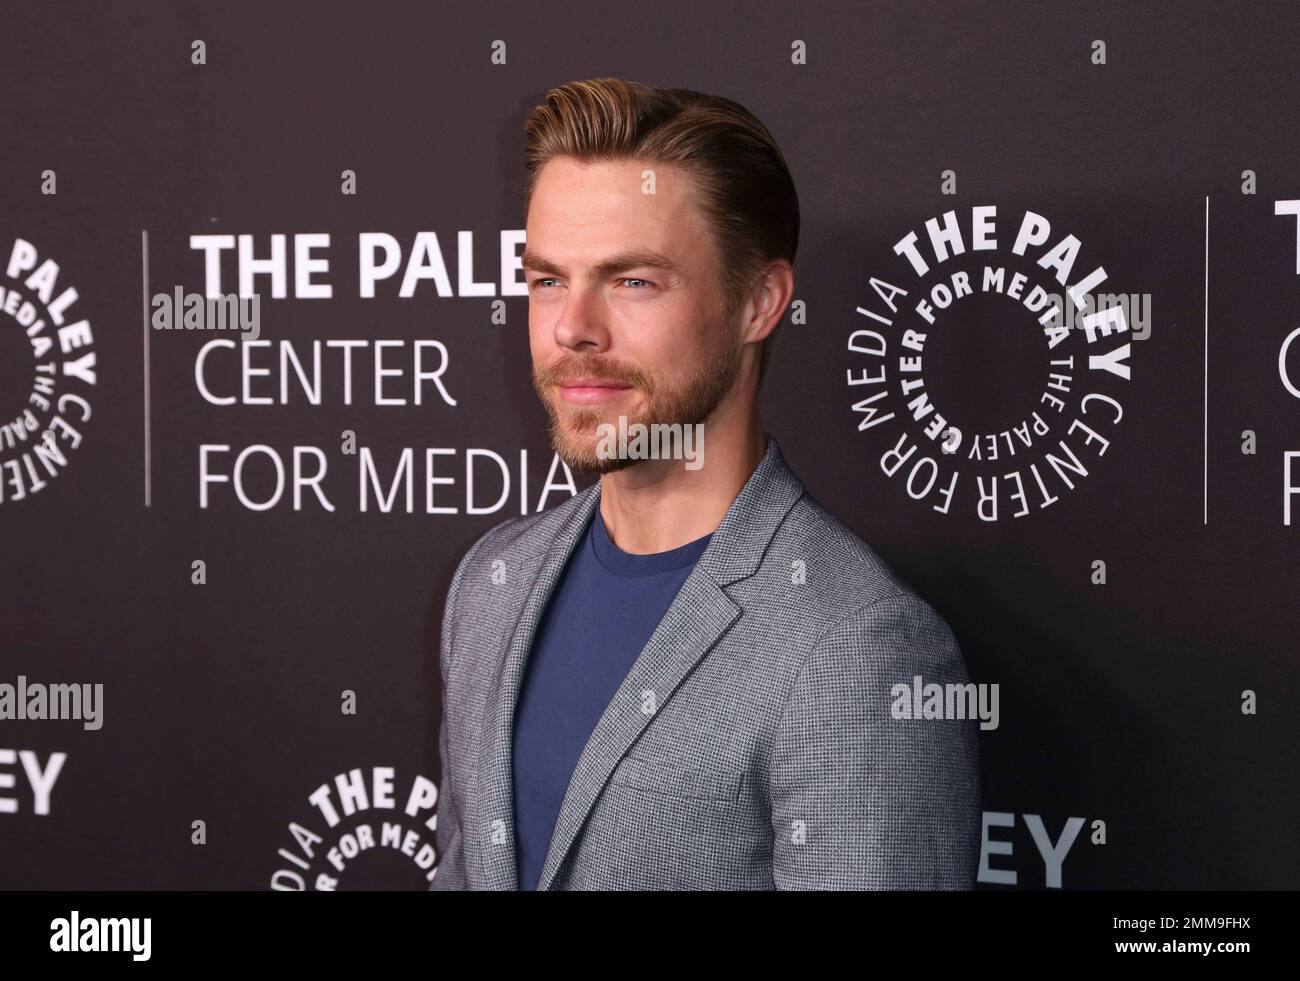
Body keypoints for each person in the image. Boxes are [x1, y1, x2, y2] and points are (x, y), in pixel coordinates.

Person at [430, 77, 980, 890]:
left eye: (633, 281)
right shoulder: (490, 584)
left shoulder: (857, 648)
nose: (572, 326)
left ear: (758, 301)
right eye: (548, 279)